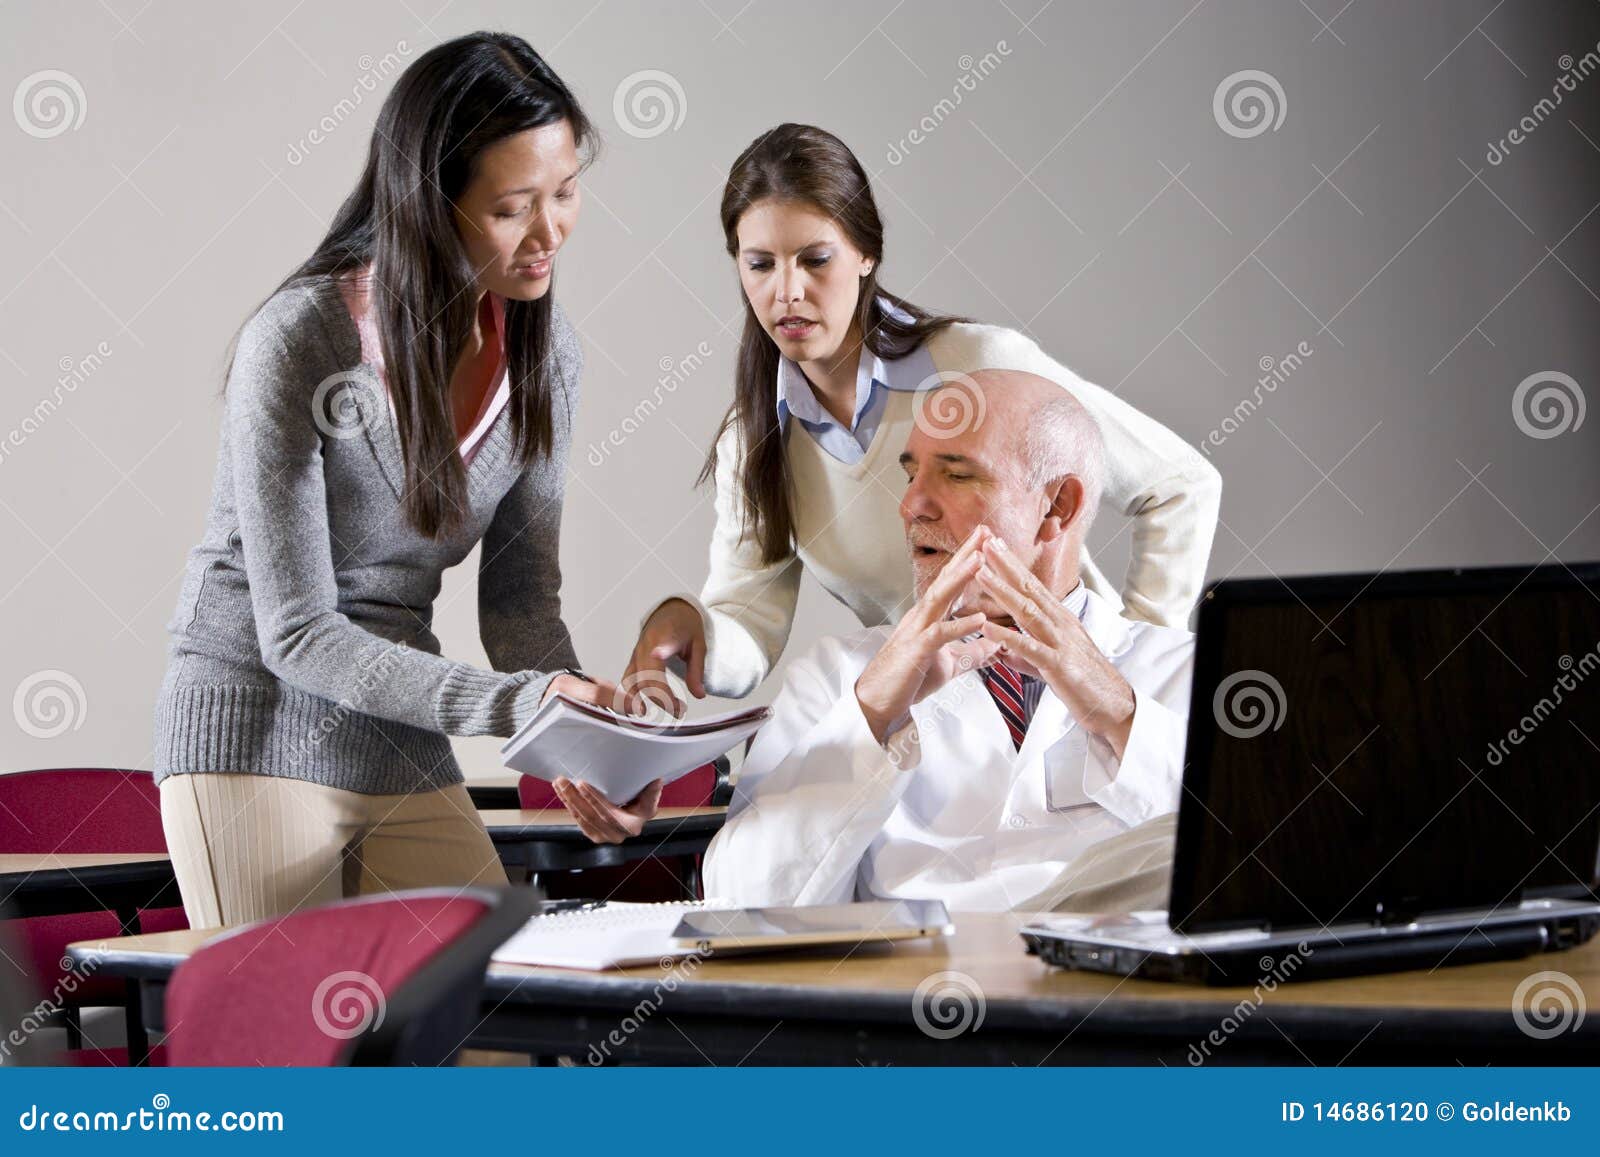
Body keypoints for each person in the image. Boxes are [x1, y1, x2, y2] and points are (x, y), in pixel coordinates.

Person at [153, 32, 635, 929]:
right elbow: (298, 634)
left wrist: (583, 742)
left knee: (494, 1026)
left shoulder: (547, 356)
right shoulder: (303, 340)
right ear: (430, 204)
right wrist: (518, 704)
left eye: (566, 193)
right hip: (253, 728)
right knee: (290, 1061)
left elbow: (522, 600)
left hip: (393, 726)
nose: (549, 233)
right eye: (512, 208)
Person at [623, 123, 1219, 724]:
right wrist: (687, 624)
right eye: (760, 264)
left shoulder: (981, 367)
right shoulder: (752, 441)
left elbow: (1179, 485)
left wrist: (1125, 663)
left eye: (815, 259)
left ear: (865, 254)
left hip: (1068, 714)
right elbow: (749, 624)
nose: (787, 291)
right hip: (944, 728)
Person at [702, 372, 1195, 912]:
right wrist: (871, 715)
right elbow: (737, 906)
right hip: (904, 988)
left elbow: (1266, 867)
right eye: (912, 475)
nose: (912, 505)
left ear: (1058, 507)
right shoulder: (837, 677)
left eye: (957, 476)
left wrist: (1118, 713)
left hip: (1107, 990)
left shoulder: (1184, 671)